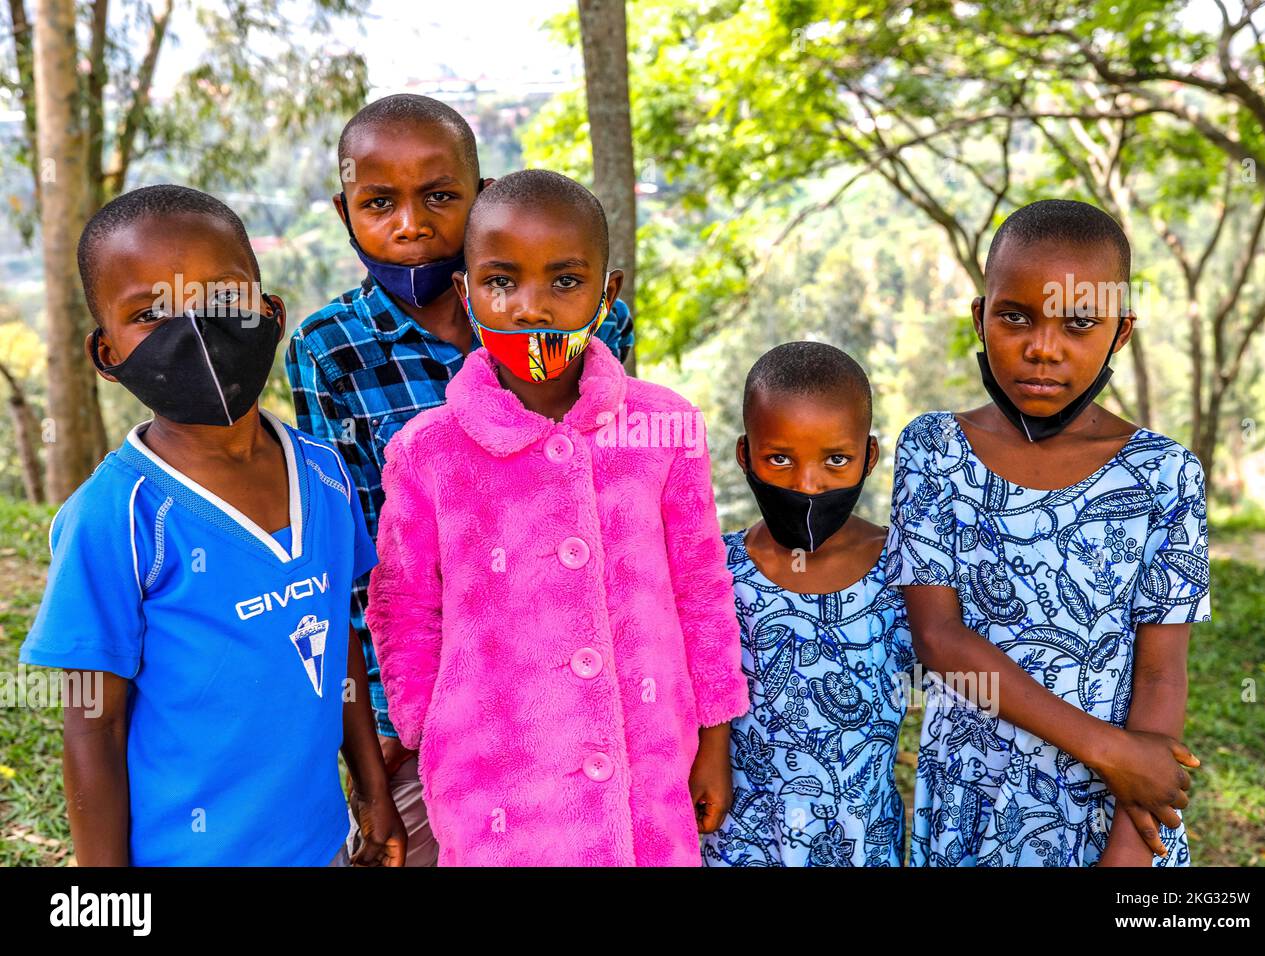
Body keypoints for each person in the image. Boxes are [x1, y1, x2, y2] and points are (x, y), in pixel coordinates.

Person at [285, 96, 634, 864]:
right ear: (346, 212)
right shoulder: (329, 349)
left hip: (578, 662)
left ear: (483, 195)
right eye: (380, 203)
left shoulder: (581, 316)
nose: (411, 224)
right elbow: (358, 550)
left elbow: (615, 493)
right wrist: (389, 710)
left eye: (441, 196)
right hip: (443, 681)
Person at [366, 169, 747, 865]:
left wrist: (715, 733)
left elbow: (700, 583)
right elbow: (404, 605)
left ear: (608, 294)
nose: (531, 307)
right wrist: (432, 724)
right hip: (492, 793)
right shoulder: (426, 452)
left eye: (565, 282)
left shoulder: (664, 426)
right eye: (502, 281)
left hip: (648, 777)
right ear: (467, 290)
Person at [20, 185, 404, 866]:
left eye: (221, 297)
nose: (193, 328)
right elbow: (92, 726)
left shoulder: (322, 470)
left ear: (271, 312)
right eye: (147, 312)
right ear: (105, 354)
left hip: (322, 848)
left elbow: (333, 635)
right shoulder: (117, 517)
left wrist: (373, 792)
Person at [887, 199, 1210, 866]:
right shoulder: (933, 450)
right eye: (1016, 317)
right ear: (981, 318)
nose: (1042, 347)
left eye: (1079, 323)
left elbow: (1160, 676)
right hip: (970, 817)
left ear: (1120, 333)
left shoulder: (1166, 475)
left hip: (1111, 821)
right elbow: (938, 637)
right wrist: (1108, 748)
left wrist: (1128, 849)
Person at [702, 342, 915, 867]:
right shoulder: (714, 568)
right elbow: (703, 677)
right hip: (736, 844)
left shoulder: (906, 568)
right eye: (779, 459)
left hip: (863, 845)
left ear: (869, 456)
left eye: (836, 460)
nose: (807, 485)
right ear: (744, 455)